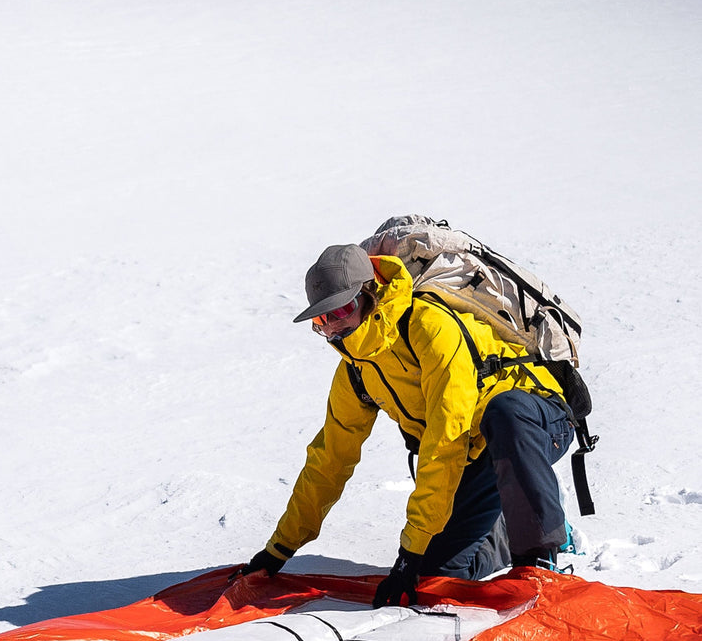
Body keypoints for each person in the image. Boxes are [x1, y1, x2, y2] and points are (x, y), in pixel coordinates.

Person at [239, 243, 575, 607]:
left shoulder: (429, 328)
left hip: (534, 420)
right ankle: (512, 526)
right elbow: (329, 461)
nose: (333, 326)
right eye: (322, 320)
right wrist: (279, 550)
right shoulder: (356, 370)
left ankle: (540, 547)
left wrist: (409, 549)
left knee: (505, 413)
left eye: (342, 310)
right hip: (471, 451)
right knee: (437, 577)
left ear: (368, 293)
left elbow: (445, 437)